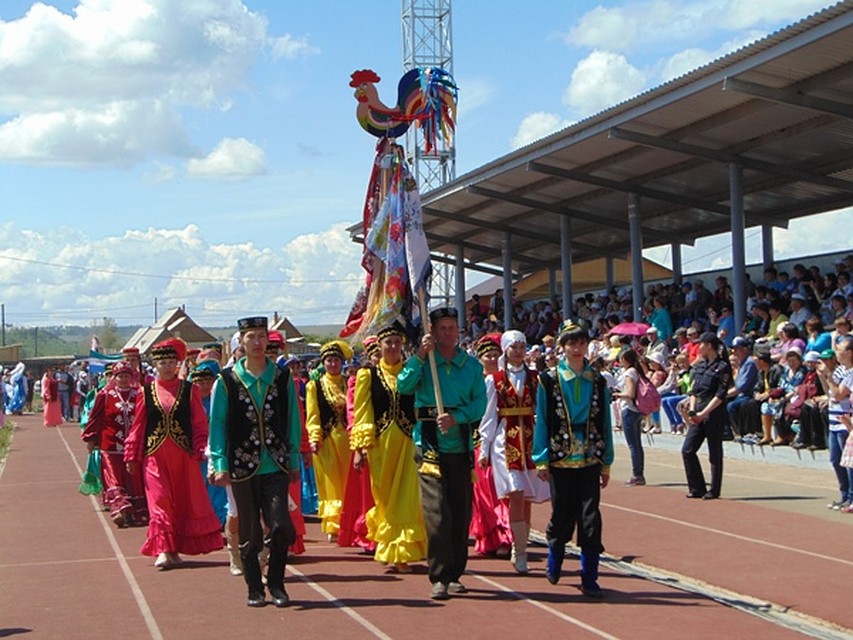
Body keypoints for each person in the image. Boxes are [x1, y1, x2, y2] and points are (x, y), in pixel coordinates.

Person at [209, 317, 302, 608]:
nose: (258, 343)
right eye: (252, 337)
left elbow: (292, 421)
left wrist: (295, 458)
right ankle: (254, 587)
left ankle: (276, 581)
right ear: (241, 342)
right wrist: (219, 462)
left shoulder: (283, 377)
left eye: (263, 336)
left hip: (276, 463)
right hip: (241, 465)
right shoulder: (227, 381)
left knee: (281, 527)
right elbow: (218, 424)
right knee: (249, 533)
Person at [398, 307, 487, 601]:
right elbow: (403, 386)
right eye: (442, 328)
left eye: (452, 327)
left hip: (460, 446)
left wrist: (457, 417)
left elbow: (480, 405)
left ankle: (455, 573)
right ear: (432, 332)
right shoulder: (425, 364)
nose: (447, 333)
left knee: (460, 513)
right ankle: (438, 576)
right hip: (430, 446)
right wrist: (420, 356)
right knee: (437, 515)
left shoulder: (471, 367)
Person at [125, 338, 223, 570]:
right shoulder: (145, 392)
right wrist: (132, 454)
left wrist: (201, 448)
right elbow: (138, 426)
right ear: (155, 365)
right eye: (163, 363)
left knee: (180, 503)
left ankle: (173, 549)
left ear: (178, 364)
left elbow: (199, 423)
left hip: (183, 457)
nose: (168, 367)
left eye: (171, 362)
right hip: (155, 457)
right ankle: (162, 549)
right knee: (160, 501)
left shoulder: (190, 390)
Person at [533, 320, 613, 599]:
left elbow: (605, 420)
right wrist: (541, 459)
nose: (577, 348)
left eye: (581, 343)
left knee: (591, 518)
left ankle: (589, 577)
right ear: (563, 347)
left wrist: (607, 461)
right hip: (560, 457)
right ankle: (554, 561)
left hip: (590, 456)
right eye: (571, 343)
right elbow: (542, 419)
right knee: (563, 515)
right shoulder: (549, 380)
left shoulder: (598, 380)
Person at [351, 323, 427, 572]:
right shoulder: (367, 376)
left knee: (405, 496)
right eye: (388, 343)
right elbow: (363, 412)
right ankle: (387, 544)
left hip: (407, 441)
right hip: (381, 445)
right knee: (383, 497)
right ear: (380, 346)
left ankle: (401, 553)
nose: (393, 347)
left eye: (397, 342)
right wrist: (360, 449)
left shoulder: (412, 372)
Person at [478, 330, 550, 574]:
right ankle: (519, 552)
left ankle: (520, 548)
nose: (518, 351)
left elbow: (543, 410)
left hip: (530, 438)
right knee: (516, 492)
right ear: (505, 351)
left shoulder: (535, 378)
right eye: (513, 347)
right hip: (504, 441)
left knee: (527, 497)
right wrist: (484, 448)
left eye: (522, 347)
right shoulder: (495, 379)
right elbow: (488, 416)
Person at [82, 361, 146, 528]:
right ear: (114, 378)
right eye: (120, 376)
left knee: (133, 479)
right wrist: (90, 438)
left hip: (133, 446)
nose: (123, 379)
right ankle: (119, 509)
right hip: (110, 446)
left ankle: (133, 512)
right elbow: (94, 419)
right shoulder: (105, 395)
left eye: (126, 376)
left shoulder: (139, 394)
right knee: (113, 478)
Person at [306, 339, 354, 540]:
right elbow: (313, 414)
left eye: (336, 360)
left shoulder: (350, 382)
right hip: (327, 440)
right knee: (330, 481)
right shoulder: (314, 386)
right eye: (329, 361)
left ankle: (350, 520)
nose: (333, 364)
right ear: (323, 363)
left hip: (348, 440)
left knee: (348, 481)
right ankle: (334, 523)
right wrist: (315, 437)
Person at [469, 334, 512, 557]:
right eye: (488, 355)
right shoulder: (475, 383)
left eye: (496, 355)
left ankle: (505, 535)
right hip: (479, 441)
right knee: (483, 491)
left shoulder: (506, 381)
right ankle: (489, 536)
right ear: (480, 358)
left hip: (503, 442)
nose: (493, 359)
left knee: (502, 489)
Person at [683, 333, 732, 500]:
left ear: (709, 345)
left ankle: (714, 489)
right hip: (698, 411)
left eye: (701, 344)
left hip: (714, 413)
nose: (699, 347)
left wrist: (704, 413)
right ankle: (697, 487)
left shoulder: (723, 367)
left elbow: (720, 394)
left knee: (714, 453)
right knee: (687, 450)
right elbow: (694, 391)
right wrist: (692, 411)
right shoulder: (700, 366)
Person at [613, 348, 648, 486]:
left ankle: (637, 474)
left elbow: (630, 393)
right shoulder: (637, 371)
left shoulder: (629, 373)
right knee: (637, 444)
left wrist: (617, 394)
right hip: (636, 410)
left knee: (633, 445)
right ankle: (639, 473)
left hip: (629, 409)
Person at [726, 337, 758, 439]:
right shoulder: (742, 363)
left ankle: (741, 433)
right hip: (741, 394)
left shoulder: (749, 362)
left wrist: (723, 394)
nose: (734, 352)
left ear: (745, 349)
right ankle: (728, 431)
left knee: (731, 406)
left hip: (748, 395)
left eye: (737, 349)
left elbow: (741, 387)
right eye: (733, 349)